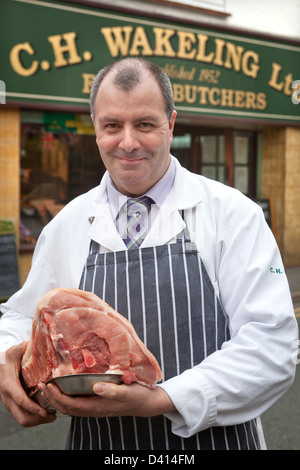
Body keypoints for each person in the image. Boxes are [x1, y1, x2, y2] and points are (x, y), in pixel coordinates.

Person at [0, 57, 298, 450]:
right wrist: (7, 355)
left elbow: (272, 345)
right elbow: (24, 314)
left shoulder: (232, 214)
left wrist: (162, 399)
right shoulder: (67, 225)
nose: (127, 142)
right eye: (112, 126)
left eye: (144, 124)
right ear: (95, 129)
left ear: (170, 124)